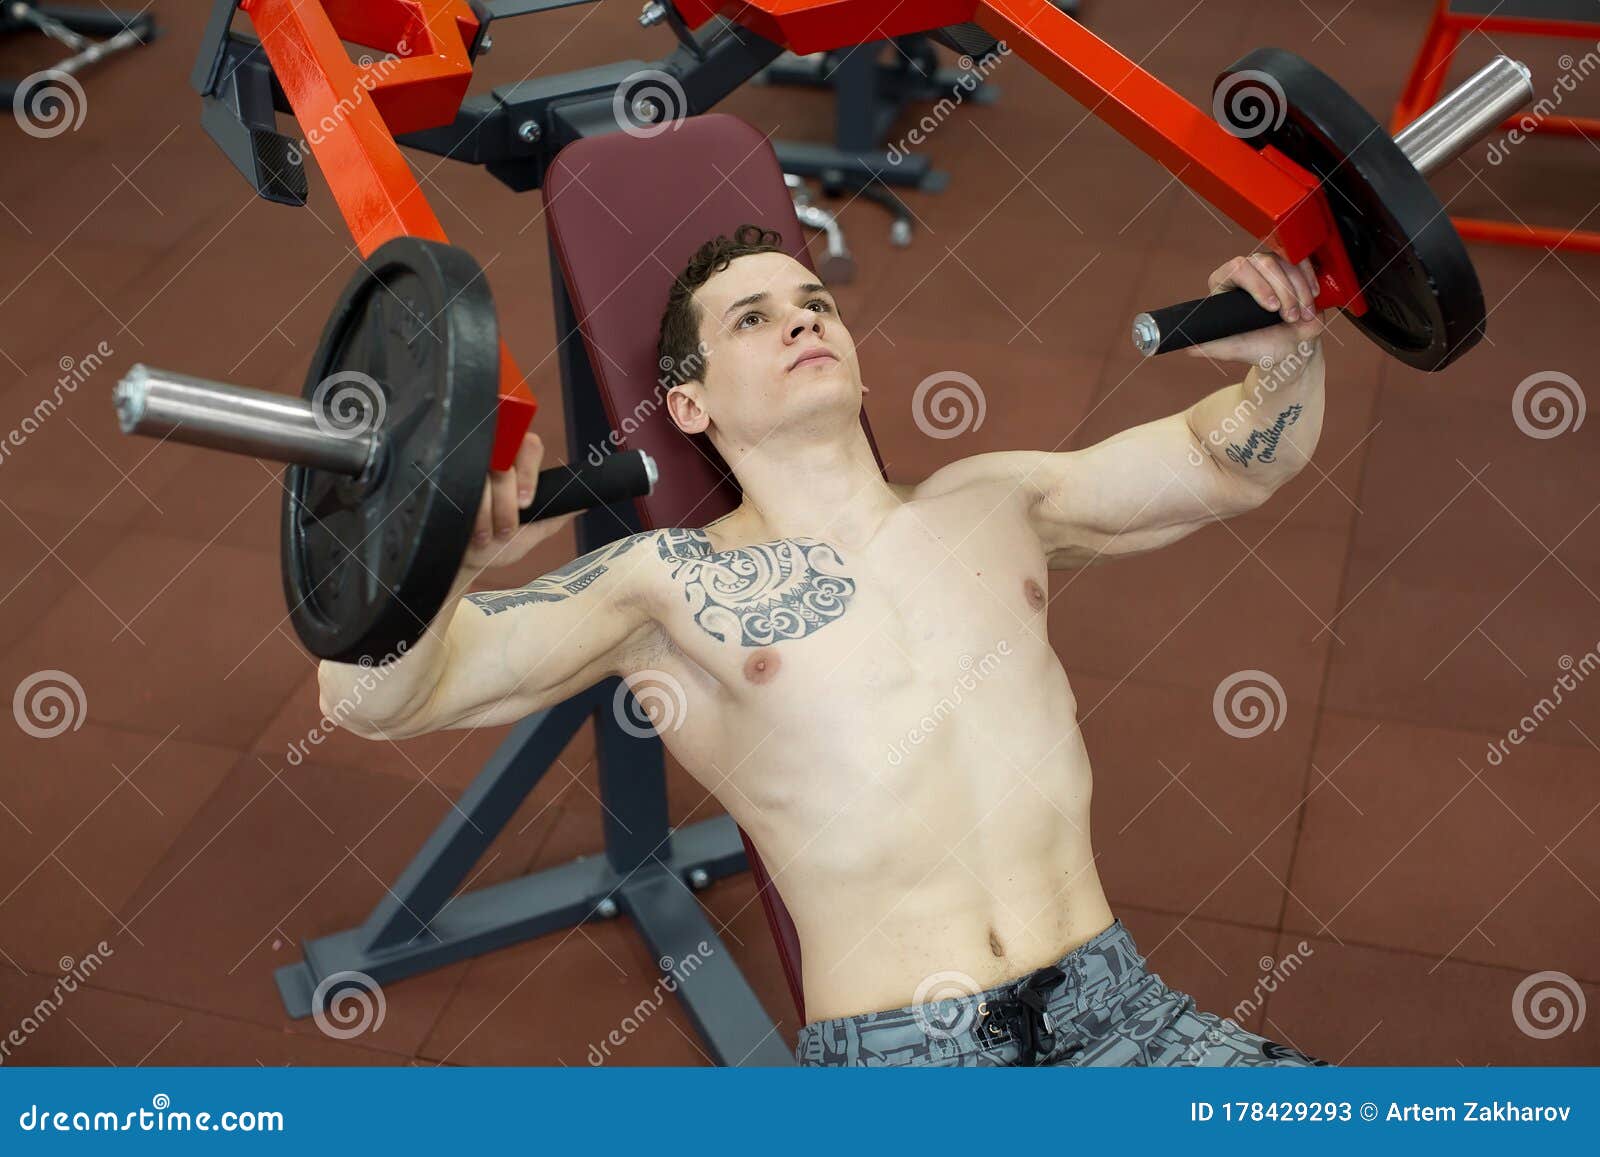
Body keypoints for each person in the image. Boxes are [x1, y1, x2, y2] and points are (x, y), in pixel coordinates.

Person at [322, 224, 1331, 1067]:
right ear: (688, 405)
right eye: (750, 320)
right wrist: (437, 559)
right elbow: (376, 699)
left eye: (815, 304)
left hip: (1123, 1014)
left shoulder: (995, 501)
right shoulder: (667, 585)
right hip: (906, 1059)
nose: (801, 319)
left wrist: (1282, 353)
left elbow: (1227, 459)